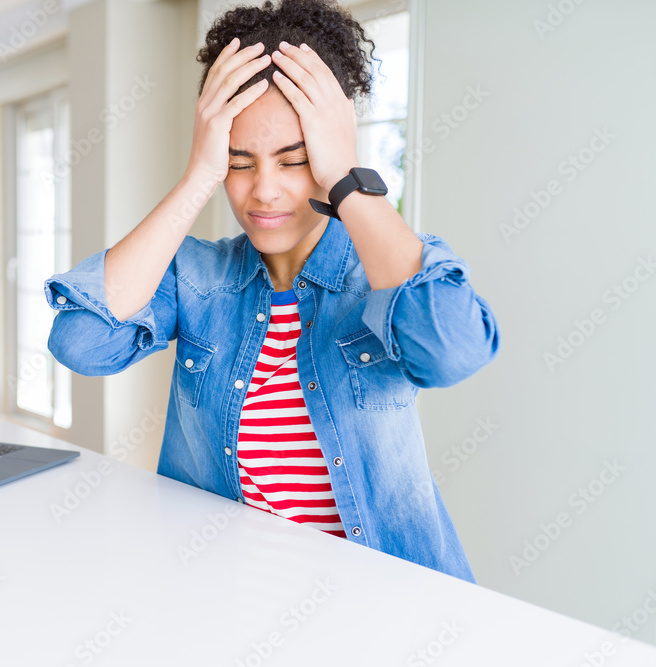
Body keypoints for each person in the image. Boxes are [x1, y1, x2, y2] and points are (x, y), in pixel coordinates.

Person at [43, 0, 499, 584]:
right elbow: (81, 342)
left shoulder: (385, 271)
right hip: (229, 599)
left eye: (296, 160)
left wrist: (348, 179)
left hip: (386, 606)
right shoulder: (196, 276)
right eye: (238, 163)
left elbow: (452, 350)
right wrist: (196, 178)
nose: (264, 191)